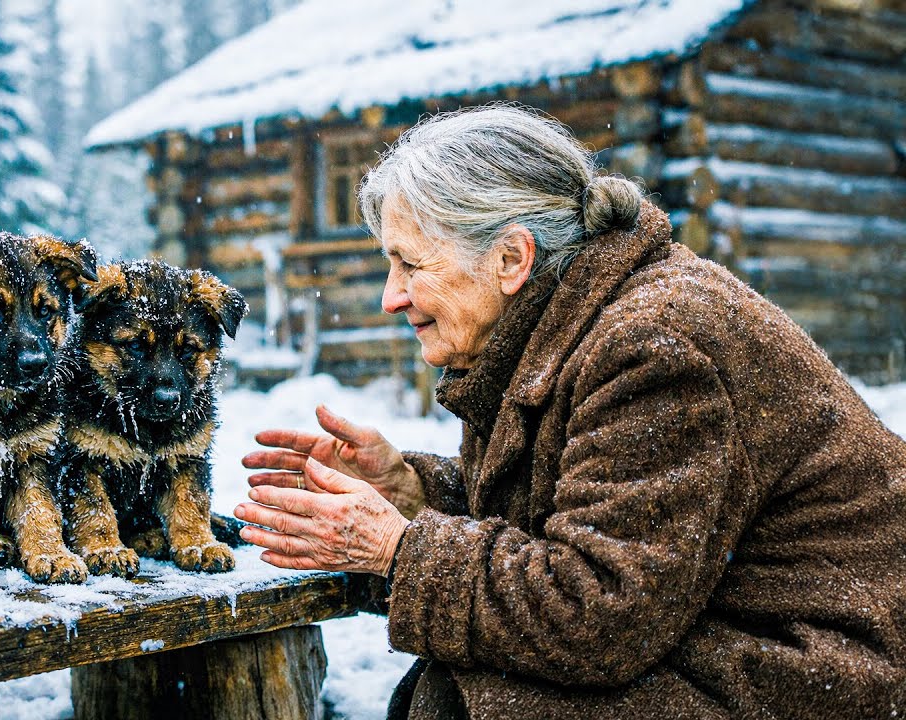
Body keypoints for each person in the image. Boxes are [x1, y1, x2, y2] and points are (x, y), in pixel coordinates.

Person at [233, 104, 906, 719]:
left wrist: (397, 548)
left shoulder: (653, 347)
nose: (391, 297)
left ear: (511, 258)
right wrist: (415, 493)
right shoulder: (563, 322)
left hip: (831, 666)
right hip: (739, 631)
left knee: (482, 703)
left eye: (410, 264)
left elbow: (601, 613)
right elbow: (587, 517)